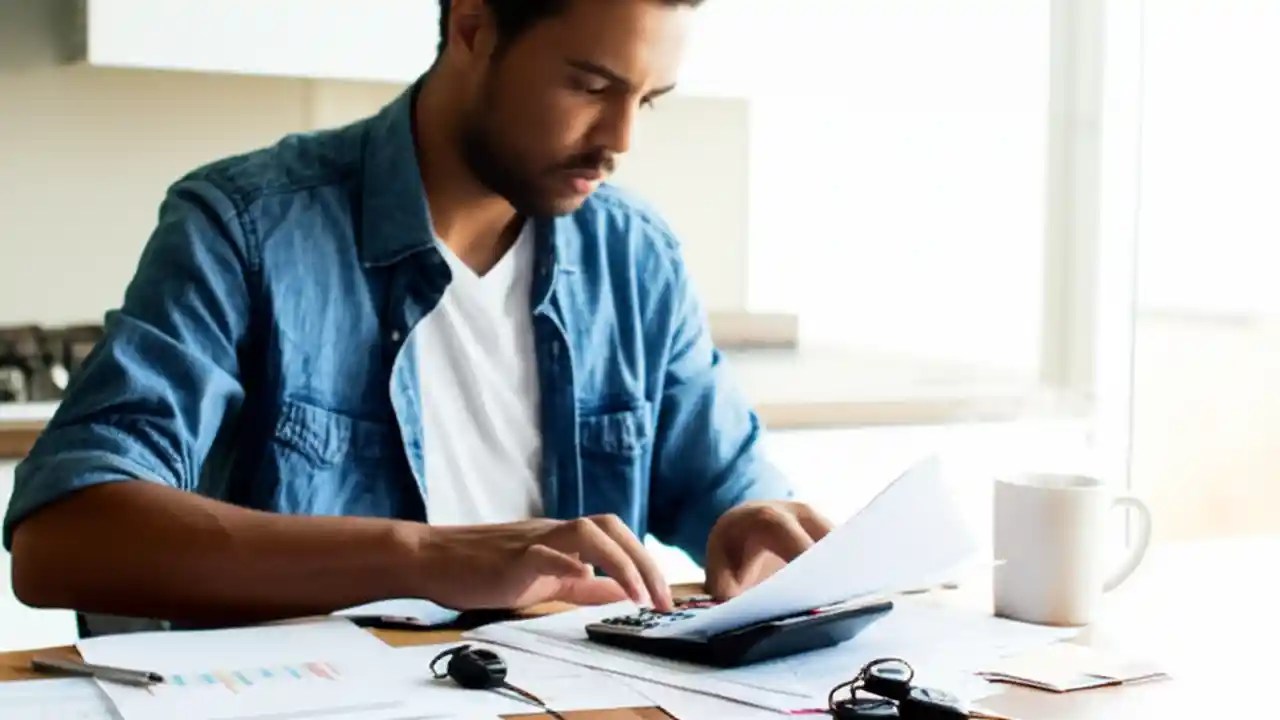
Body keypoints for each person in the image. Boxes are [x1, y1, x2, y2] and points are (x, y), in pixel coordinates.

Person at [4, 0, 832, 630]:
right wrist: (428, 558)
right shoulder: (247, 227)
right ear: (473, 26)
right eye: (589, 86)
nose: (619, 140)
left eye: (647, 100)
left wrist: (749, 518)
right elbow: (65, 538)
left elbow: (726, 486)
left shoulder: (636, 256)